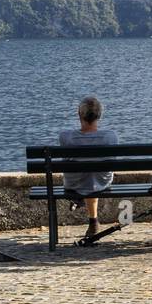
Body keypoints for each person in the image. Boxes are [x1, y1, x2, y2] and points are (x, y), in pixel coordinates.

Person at [60, 96, 117, 242]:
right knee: (94, 176)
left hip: (73, 184)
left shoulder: (66, 137)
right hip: (102, 182)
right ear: (100, 115)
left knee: (88, 176)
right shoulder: (110, 137)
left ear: (79, 115)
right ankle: (92, 219)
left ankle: (80, 200)